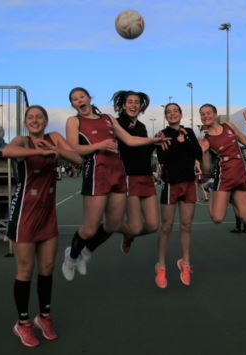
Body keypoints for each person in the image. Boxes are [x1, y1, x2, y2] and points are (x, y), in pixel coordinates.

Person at [61, 87, 167, 281]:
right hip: (96, 173)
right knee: (90, 228)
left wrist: (154, 139)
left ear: (89, 98)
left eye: (82, 96)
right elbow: (74, 147)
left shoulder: (108, 118)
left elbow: (129, 139)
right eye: (75, 99)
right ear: (73, 104)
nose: (79, 100)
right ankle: (72, 256)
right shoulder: (74, 121)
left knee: (112, 224)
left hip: (117, 173)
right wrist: (99, 145)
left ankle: (87, 251)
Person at [4, 106, 82, 347]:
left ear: (46, 121)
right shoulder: (22, 141)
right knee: (25, 270)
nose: (35, 120)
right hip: (24, 213)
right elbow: (7, 151)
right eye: (30, 118)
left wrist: (54, 149)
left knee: (47, 267)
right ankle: (23, 323)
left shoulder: (54, 137)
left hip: (47, 213)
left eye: (39, 117)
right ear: (26, 122)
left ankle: (44, 317)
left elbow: (78, 159)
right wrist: (35, 151)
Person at [153, 103, 202, 288]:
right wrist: (177, 143)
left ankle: (185, 263)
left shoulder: (188, 132)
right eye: (168, 112)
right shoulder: (162, 135)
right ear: (166, 116)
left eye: (175, 111)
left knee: (186, 225)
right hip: (171, 184)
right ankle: (161, 265)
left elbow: (198, 153)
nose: (172, 114)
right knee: (166, 226)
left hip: (188, 183)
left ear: (181, 114)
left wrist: (186, 140)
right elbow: (163, 159)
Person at [112, 91, 160, 254]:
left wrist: (155, 142)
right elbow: (128, 144)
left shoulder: (141, 126)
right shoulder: (117, 123)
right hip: (129, 177)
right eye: (130, 102)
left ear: (141, 106)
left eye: (137, 102)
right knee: (135, 227)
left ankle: (128, 235)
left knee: (153, 225)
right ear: (123, 105)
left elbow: (143, 151)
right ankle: (110, 226)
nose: (133, 105)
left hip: (146, 177)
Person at [198, 104, 246, 232]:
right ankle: (212, 191)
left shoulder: (229, 126)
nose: (205, 116)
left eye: (208, 113)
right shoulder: (206, 140)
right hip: (224, 178)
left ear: (215, 114)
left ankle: (232, 196)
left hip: (241, 176)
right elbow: (206, 170)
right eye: (202, 114)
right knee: (217, 218)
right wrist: (204, 153)